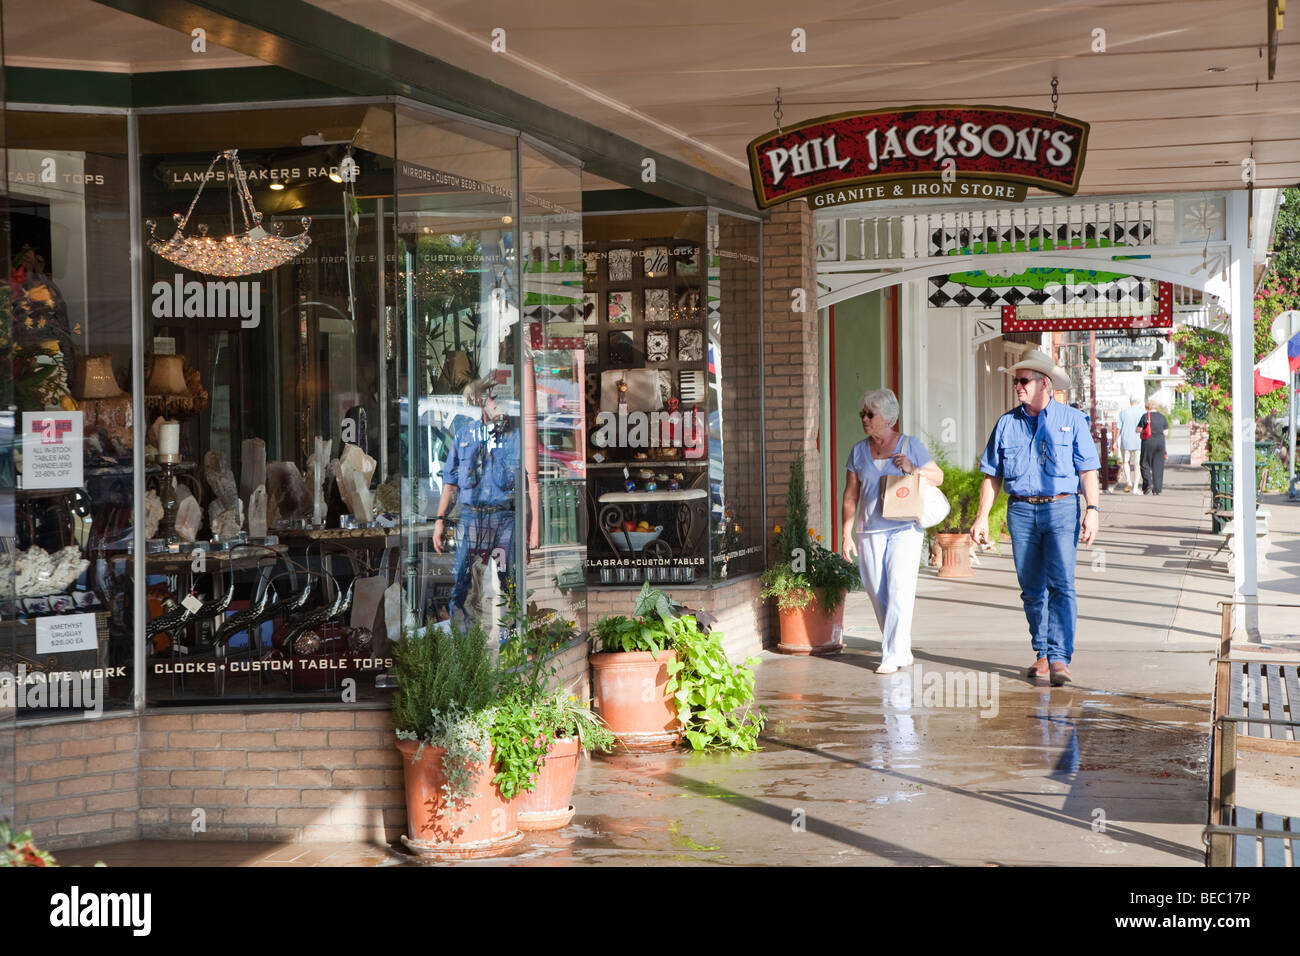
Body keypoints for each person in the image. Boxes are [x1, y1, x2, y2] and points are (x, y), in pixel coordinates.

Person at [970, 349, 1100, 686]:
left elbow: (1087, 471)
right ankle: (1041, 653)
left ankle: (1059, 658)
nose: (1018, 386)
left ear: (1045, 383)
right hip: (1022, 511)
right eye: (1016, 380)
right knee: (1031, 590)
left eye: (1024, 380)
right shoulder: (1006, 424)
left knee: (1062, 585)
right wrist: (982, 517)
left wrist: (1093, 511)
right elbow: (991, 475)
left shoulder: (1072, 421)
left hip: (1061, 508)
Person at [841, 388, 943, 674]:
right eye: (862, 413)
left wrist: (913, 468)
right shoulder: (858, 451)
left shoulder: (910, 445)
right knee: (877, 592)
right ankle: (900, 643)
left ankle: (892, 654)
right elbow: (851, 495)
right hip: (870, 530)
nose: (864, 418)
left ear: (887, 418)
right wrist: (846, 532)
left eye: (869, 414)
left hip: (905, 528)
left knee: (899, 588)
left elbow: (938, 475)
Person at [433, 379, 519, 625]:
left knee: (507, 579)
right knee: (463, 579)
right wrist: (440, 521)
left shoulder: (514, 436)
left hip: (504, 519)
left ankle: (510, 640)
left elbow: (525, 485)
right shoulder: (465, 434)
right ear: (483, 402)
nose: (499, 405)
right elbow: (450, 484)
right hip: (471, 517)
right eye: (493, 399)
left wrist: (529, 530)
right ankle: (463, 644)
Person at [1138, 400, 1169, 495]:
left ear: (1147, 406)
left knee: (1144, 464)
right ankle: (1157, 489)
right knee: (1158, 466)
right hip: (1160, 443)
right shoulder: (1162, 417)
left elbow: (1139, 429)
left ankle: (1148, 482)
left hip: (1148, 442)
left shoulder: (1145, 416)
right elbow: (1165, 432)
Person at [1116, 397, 1144, 495]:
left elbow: (1118, 428)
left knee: (1125, 462)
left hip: (1125, 440)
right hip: (1139, 441)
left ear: (1130, 401)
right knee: (1137, 464)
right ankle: (1135, 487)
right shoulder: (1142, 412)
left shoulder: (1123, 412)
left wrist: (1116, 440)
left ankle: (1128, 481)